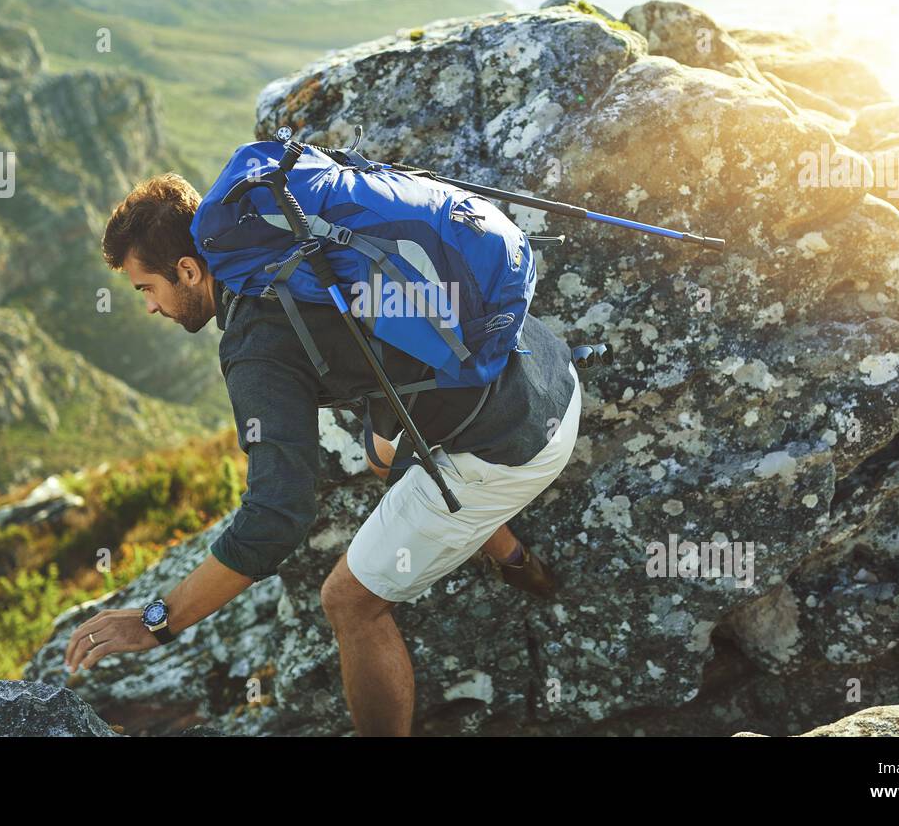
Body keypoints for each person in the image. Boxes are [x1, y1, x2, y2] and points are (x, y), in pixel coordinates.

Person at [64, 172, 582, 736]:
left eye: (147, 289)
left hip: (516, 449)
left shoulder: (253, 345)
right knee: (383, 454)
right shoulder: (282, 230)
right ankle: (512, 558)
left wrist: (157, 621)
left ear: (188, 270)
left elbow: (276, 517)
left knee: (349, 603)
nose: (150, 307)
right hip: (547, 367)